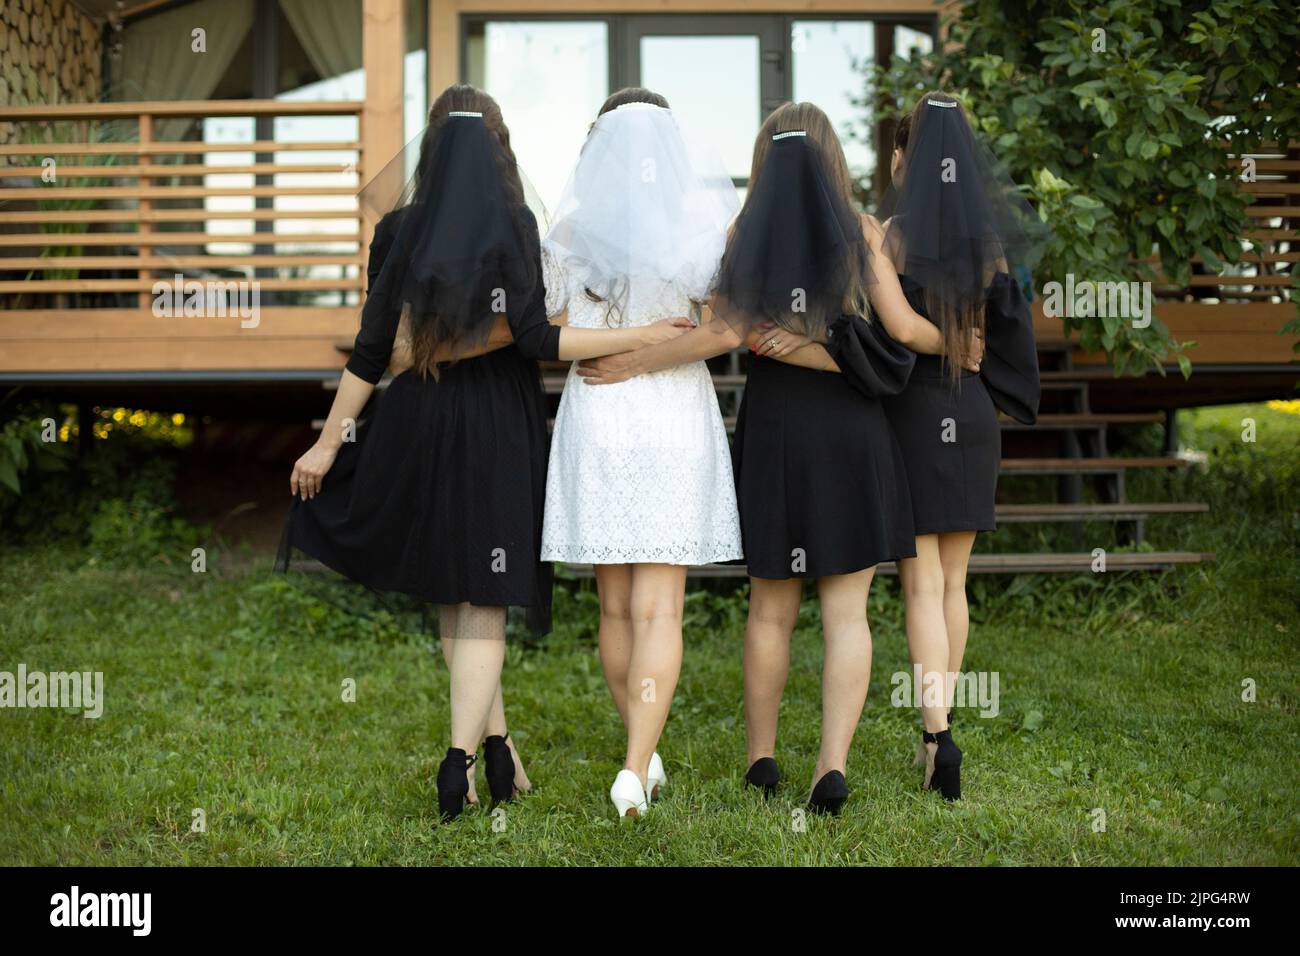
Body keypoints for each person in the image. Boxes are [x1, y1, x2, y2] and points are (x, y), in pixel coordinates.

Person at [279, 85, 690, 822]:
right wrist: (639, 336)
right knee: (485, 590)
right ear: (499, 150)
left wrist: (326, 440)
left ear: (430, 149)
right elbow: (539, 340)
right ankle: (461, 757)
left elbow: (371, 353)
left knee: (454, 585)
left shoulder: (399, 229)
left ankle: (497, 749)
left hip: (421, 420)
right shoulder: (516, 223)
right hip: (499, 424)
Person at [540, 89, 743, 817]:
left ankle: (642, 752)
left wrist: (616, 339)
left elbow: (550, 318)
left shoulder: (570, 225)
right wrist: (652, 341)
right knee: (661, 610)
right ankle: (635, 764)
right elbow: (723, 322)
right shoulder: (701, 224)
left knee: (616, 606)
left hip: (596, 408)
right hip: (668, 411)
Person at [876, 91, 1042, 801]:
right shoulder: (989, 243)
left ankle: (937, 734)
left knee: (920, 583)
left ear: (906, 157)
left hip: (915, 413)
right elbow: (1009, 333)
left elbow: (884, 332)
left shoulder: (891, 237)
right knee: (954, 583)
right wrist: (970, 348)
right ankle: (938, 734)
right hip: (972, 416)